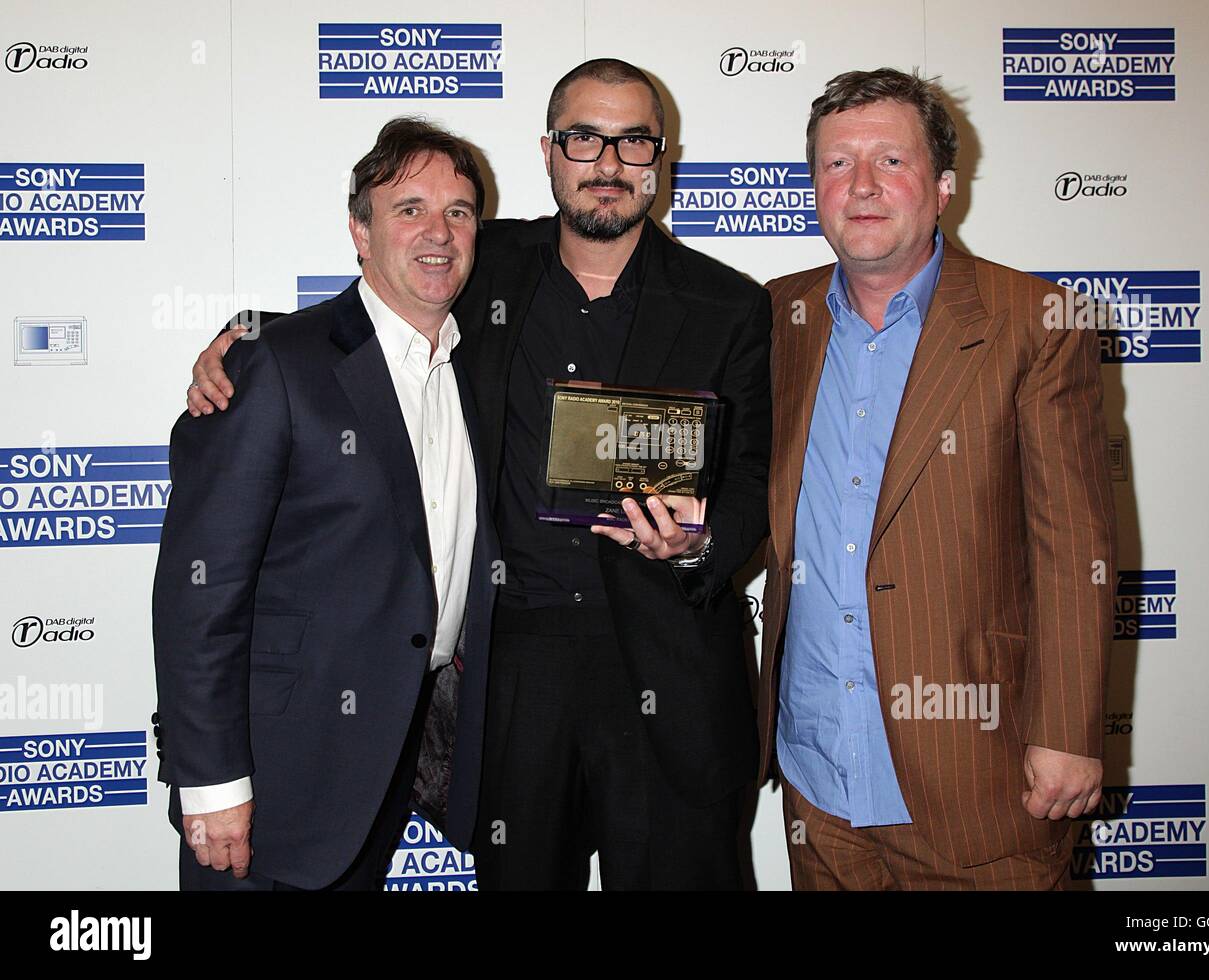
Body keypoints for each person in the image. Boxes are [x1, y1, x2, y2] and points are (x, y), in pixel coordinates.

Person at [186, 59, 772, 890]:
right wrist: (247, 336)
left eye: (632, 140)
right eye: (584, 139)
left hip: (671, 669)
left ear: (660, 157)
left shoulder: (729, 303)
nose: (608, 162)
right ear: (548, 152)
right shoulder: (483, 260)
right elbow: (376, 310)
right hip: (516, 680)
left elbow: (751, 481)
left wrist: (695, 544)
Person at [759, 69, 1116, 889]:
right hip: (819, 778)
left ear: (945, 185)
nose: (863, 187)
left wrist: (1068, 730)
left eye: (892, 160)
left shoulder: (1033, 321)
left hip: (978, 782)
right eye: (837, 164)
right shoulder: (779, 317)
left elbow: (1076, 543)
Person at [153, 118, 499, 890]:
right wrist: (209, 782)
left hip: (384, 771)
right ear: (360, 231)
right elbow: (198, 589)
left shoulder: (473, 371)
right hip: (268, 783)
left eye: (459, 211)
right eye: (408, 208)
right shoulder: (272, 367)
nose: (437, 232)